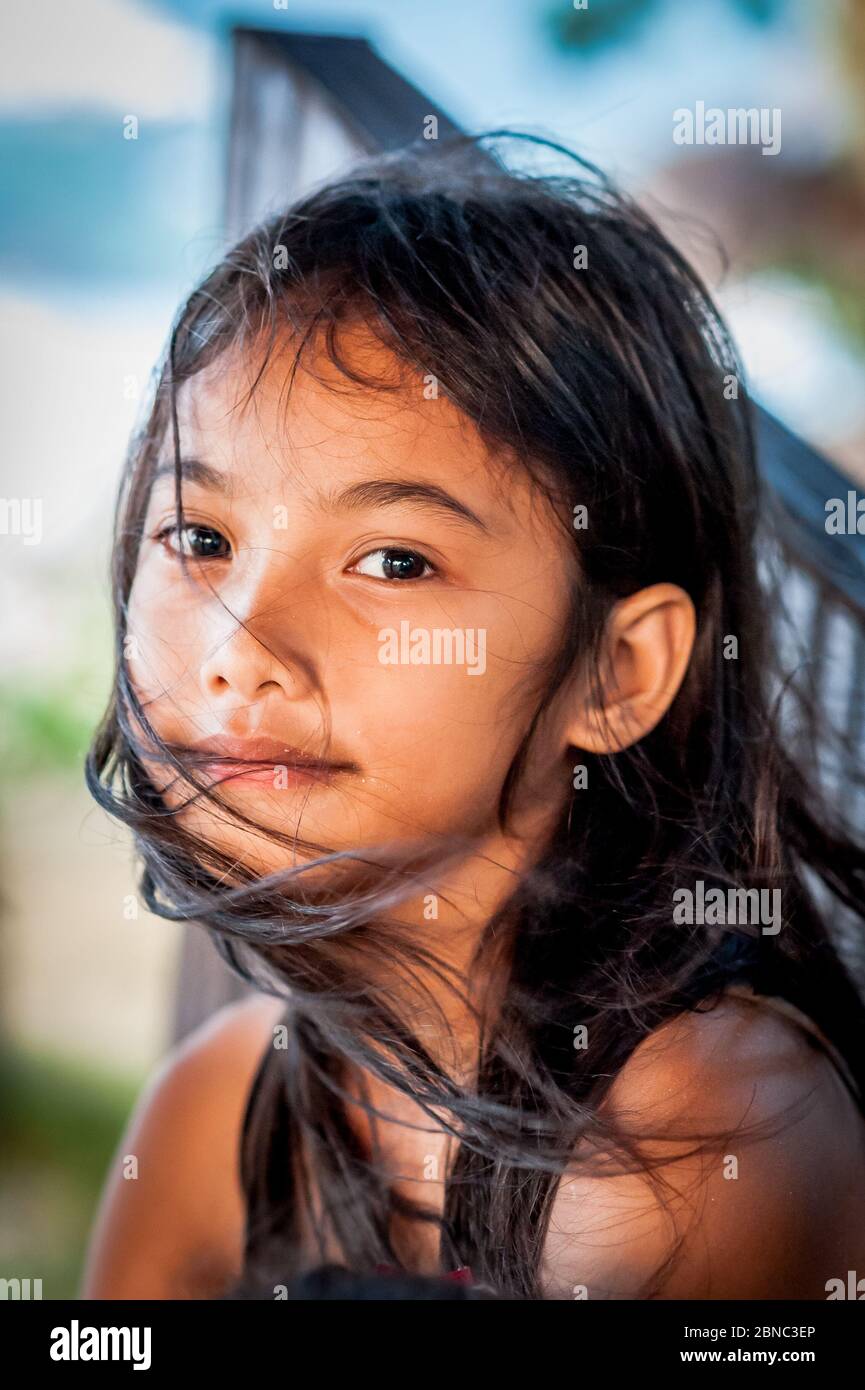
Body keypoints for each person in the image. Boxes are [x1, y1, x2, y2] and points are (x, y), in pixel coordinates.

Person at [81, 133, 865, 1301]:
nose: (240, 648)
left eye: (394, 561)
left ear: (616, 671)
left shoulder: (705, 1141)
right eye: (200, 540)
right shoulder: (218, 1113)